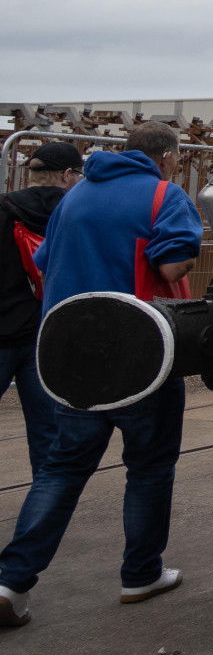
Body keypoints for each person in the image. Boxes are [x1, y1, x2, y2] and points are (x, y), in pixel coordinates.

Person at [0, 122, 202, 628]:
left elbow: (45, 261)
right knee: (150, 466)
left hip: (68, 354)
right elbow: (175, 267)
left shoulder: (75, 196)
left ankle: (12, 582)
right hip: (140, 353)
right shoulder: (164, 194)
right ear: (169, 158)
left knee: (62, 470)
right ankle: (140, 575)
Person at [0, 143, 84, 479]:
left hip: (2, 333)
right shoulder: (78, 214)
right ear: (66, 175)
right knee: (48, 435)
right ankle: (42, 518)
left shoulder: (3, 209)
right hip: (47, 339)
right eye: (78, 174)